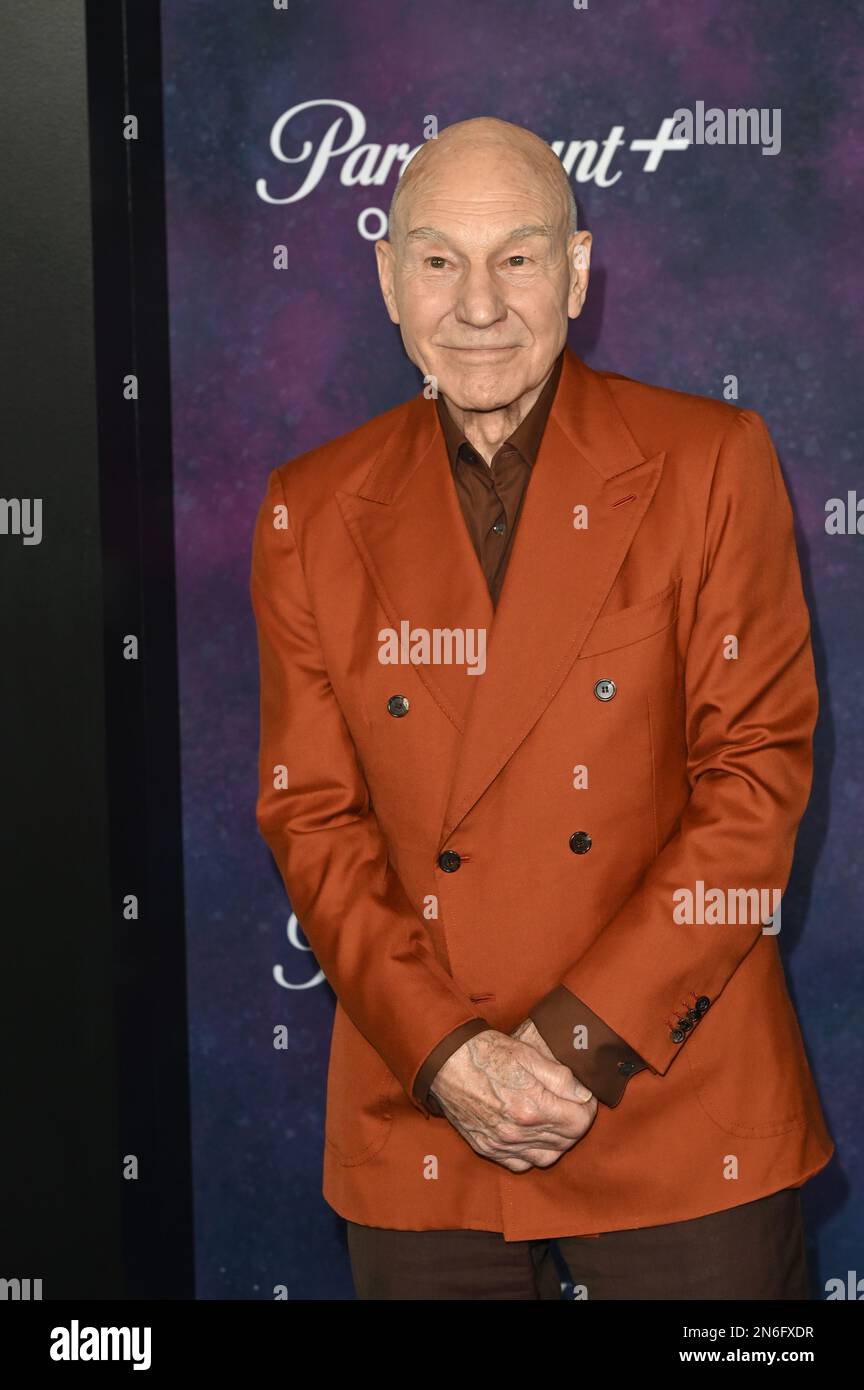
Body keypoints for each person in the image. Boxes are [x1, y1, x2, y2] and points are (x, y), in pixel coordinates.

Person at [250, 116, 834, 1300]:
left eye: (516, 257)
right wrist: (452, 1056)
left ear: (575, 273)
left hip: (678, 1100)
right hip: (425, 1111)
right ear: (387, 278)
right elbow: (312, 818)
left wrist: (565, 1044)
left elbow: (755, 781)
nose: (479, 305)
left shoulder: (710, 460)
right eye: (438, 260)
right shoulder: (309, 510)